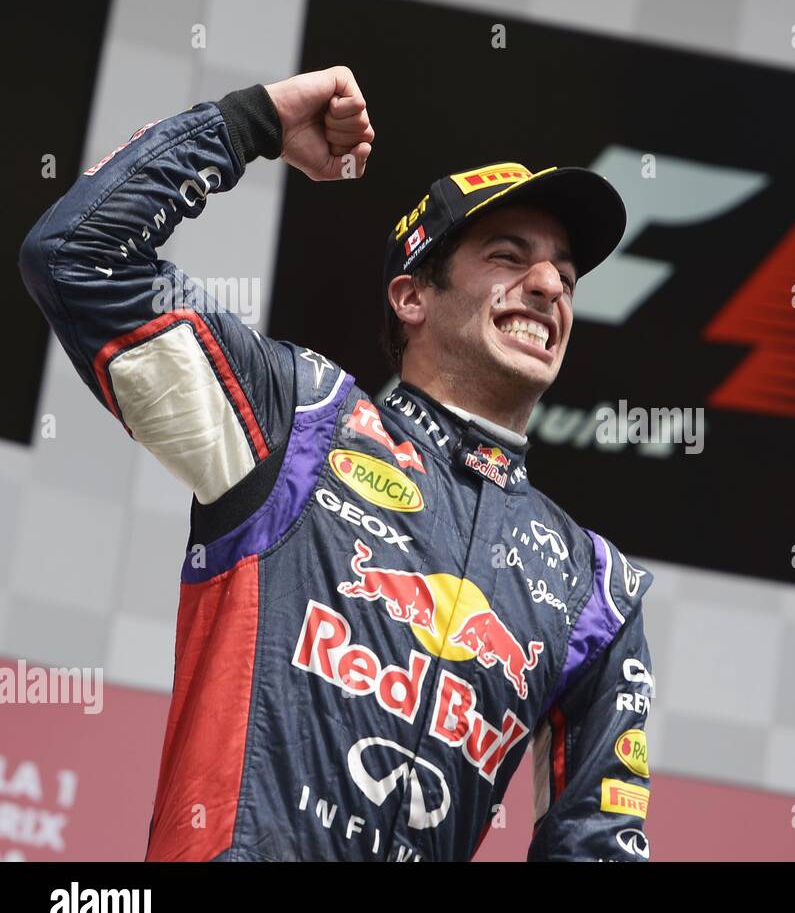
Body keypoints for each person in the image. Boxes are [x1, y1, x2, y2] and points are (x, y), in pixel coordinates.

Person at [18, 66, 654, 862]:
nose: (547, 286)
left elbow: (595, 847)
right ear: (412, 297)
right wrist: (247, 124)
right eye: (507, 255)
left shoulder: (596, 588)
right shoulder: (301, 421)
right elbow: (78, 256)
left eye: (564, 275)